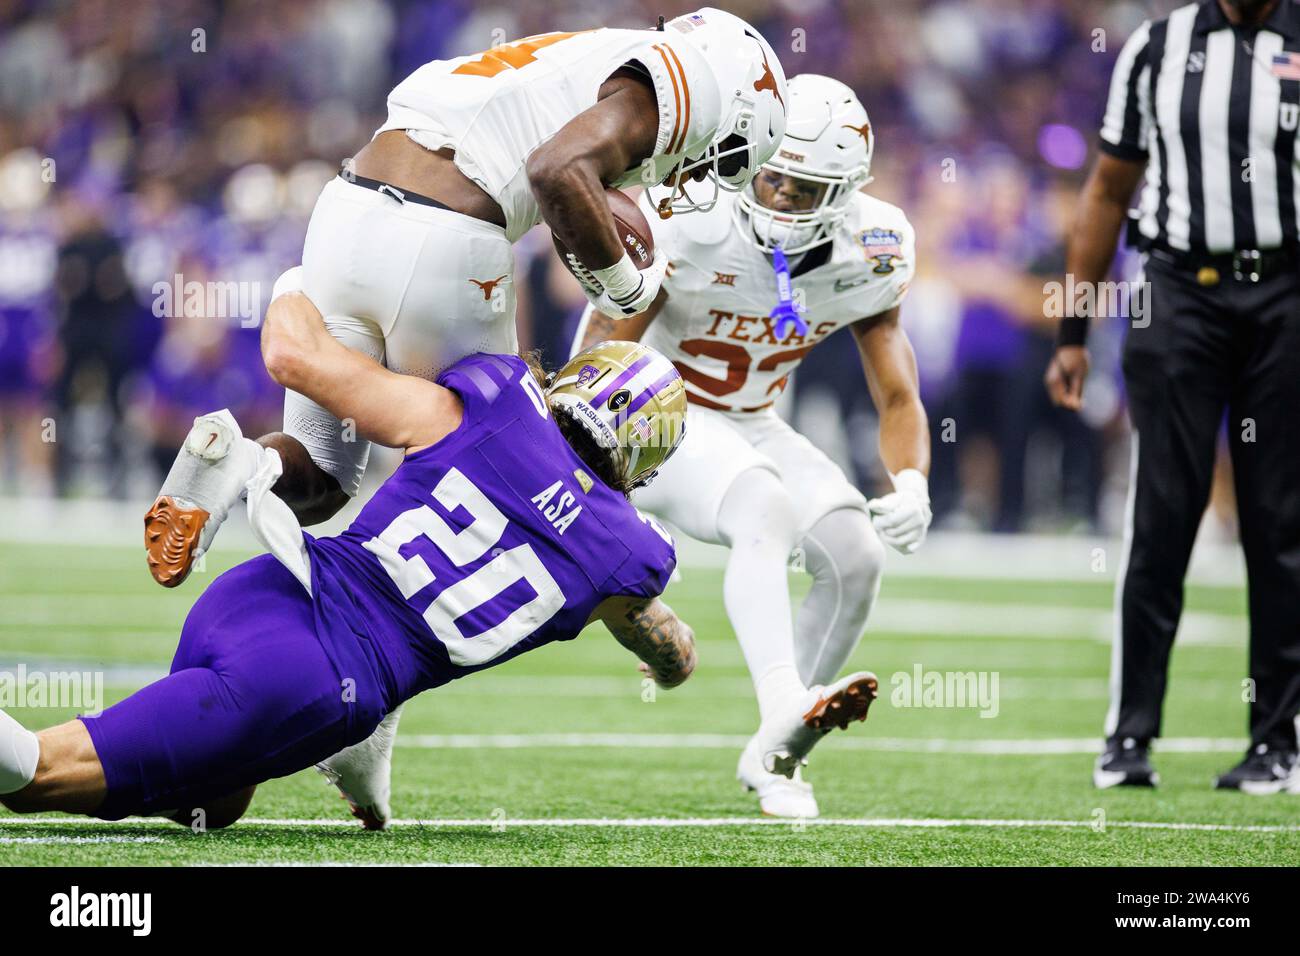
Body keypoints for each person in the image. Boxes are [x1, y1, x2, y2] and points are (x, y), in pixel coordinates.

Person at [143, 7, 789, 823]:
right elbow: (559, 169)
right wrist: (627, 288)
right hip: (445, 236)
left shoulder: (580, 57)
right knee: (492, 452)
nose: (702, 169)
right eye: (726, 150)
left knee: (326, 474)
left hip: (351, 207)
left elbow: (551, 156)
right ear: (736, 96)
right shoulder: (686, 79)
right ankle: (368, 720)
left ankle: (244, 463)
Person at [1, 292, 701, 825]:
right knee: (32, 775)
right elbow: (672, 649)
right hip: (310, 681)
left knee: (213, 808)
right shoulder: (624, 557)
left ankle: (253, 456)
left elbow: (297, 357)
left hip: (265, 589)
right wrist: (670, 670)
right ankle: (351, 743)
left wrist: (306, 287)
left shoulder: (489, 405)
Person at [573, 75, 928, 817]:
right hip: (649, 412)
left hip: (752, 419)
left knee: (856, 557)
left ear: (846, 191)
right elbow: (605, 354)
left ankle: (776, 757)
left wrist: (912, 479)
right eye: (772, 176)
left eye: (805, 188)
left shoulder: (875, 246)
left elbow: (897, 390)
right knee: (763, 502)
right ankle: (785, 707)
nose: (781, 198)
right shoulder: (688, 216)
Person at [1045, 0, 1300, 792]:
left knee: (1281, 522)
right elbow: (1108, 192)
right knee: (1160, 516)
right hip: (1179, 293)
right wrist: (1073, 333)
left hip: (1288, 292)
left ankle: (1276, 743)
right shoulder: (1156, 49)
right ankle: (1129, 738)